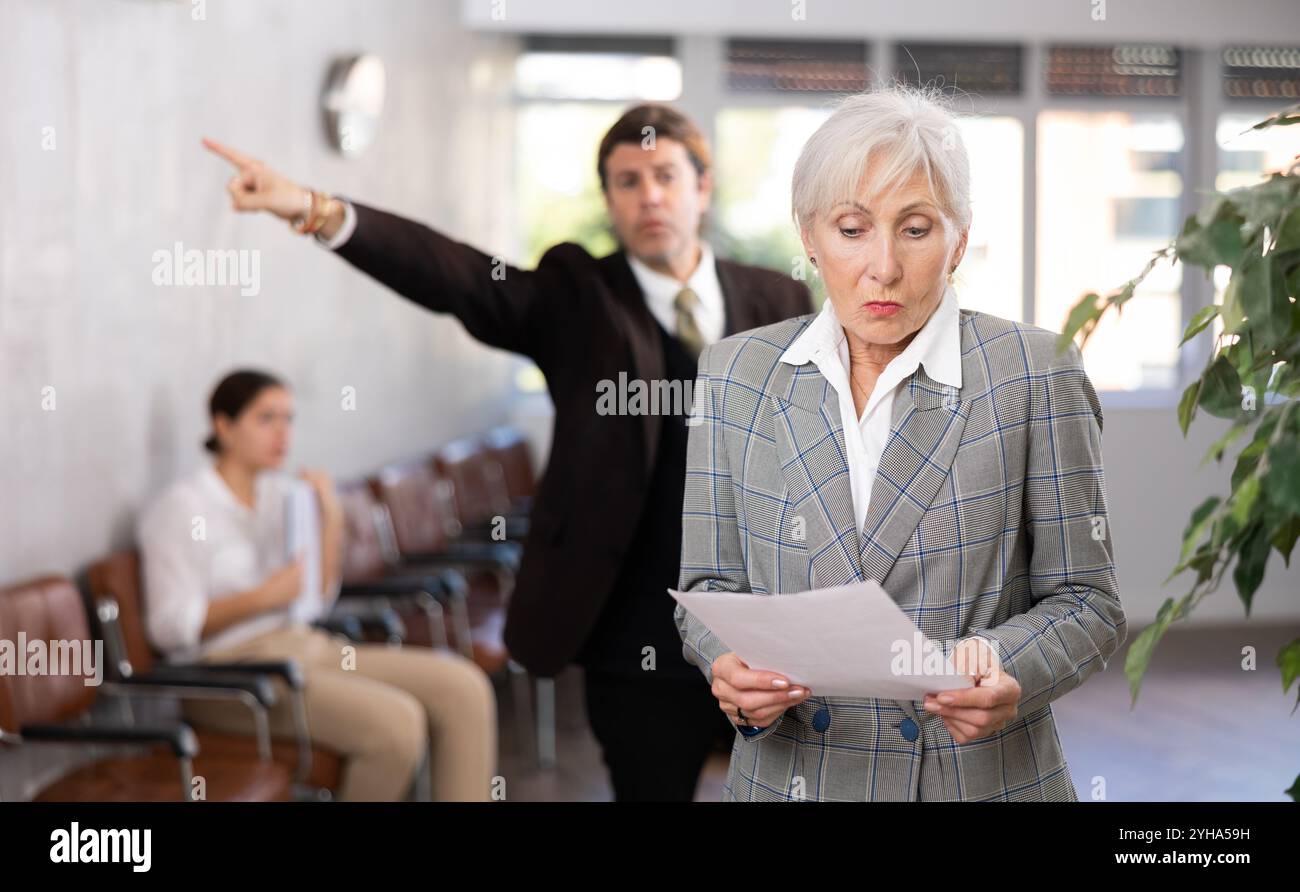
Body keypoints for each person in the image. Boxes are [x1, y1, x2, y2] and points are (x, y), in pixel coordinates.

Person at [200, 104, 813, 801]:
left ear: (701, 187)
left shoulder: (779, 298)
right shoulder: (579, 298)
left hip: (762, 624)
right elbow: (456, 275)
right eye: (627, 181)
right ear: (609, 199)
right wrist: (314, 210)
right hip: (635, 636)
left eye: (665, 176)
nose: (649, 195)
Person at [675, 83, 1128, 801]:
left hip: (980, 781)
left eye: (915, 229)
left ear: (958, 240)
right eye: (852, 230)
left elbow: (1088, 603)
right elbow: (707, 586)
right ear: (810, 238)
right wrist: (729, 666)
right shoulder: (735, 374)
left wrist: (1003, 664)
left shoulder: (1034, 373)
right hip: (793, 778)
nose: (882, 266)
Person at [138, 369, 497, 801]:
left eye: (288, 419)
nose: (282, 433)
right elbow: (168, 627)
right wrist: (263, 597)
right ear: (223, 425)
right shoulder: (181, 508)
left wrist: (331, 517)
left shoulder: (282, 497)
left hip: (304, 646)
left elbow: (315, 603)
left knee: (464, 687)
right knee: (397, 727)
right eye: (266, 418)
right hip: (233, 674)